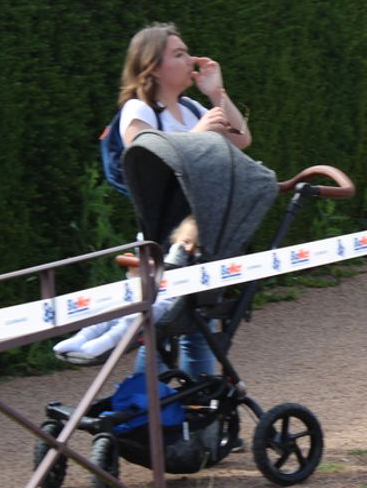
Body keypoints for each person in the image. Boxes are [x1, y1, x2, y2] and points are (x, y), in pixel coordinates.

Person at [119, 23, 251, 375]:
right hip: (163, 242)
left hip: (200, 239)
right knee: (161, 331)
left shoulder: (193, 107)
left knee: (197, 327)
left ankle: (196, 420)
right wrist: (199, 135)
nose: (190, 58)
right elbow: (144, 162)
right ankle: (147, 413)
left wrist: (216, 93)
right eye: (178, 54)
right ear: (152, 67)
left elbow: (241, 140)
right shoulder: (139, 111)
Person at [54, 216, 200, 364]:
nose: (188, 249)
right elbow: (138, 283)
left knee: (136, 316)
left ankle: (104, 343)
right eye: (185, 242)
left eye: (197, 247)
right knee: (109, 311)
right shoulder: (161, 259)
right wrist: (134, 273)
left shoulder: (195, 267)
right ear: (175, 240)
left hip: (167, 304)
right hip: (142, 295)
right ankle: (81, 338)